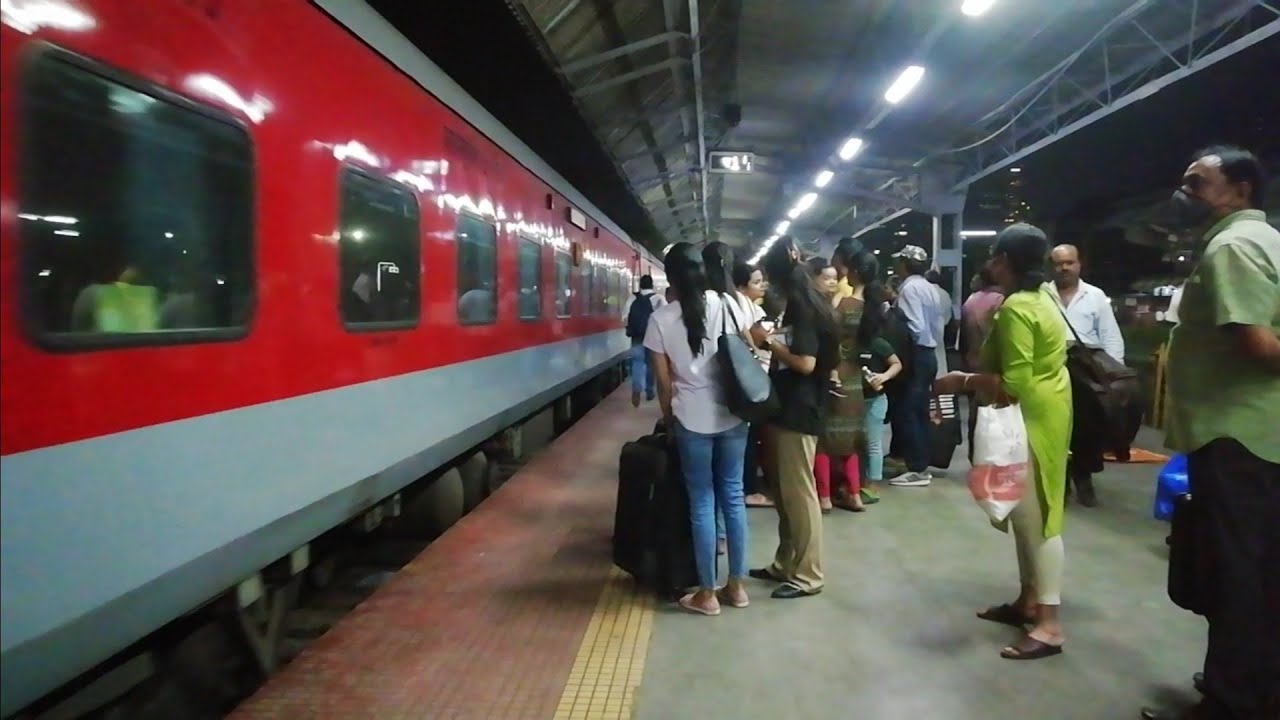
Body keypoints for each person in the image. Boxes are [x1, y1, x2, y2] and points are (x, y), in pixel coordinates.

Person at [1141, 145, 1280, 720]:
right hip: (1255, 432)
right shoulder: (1265, 239)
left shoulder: (1232, 247)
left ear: (1241, 189)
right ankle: (1250, 681)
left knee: (1237, 572)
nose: (1185, 194)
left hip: (1235, 433)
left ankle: (1231, 701)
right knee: (1259, 567)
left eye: (1197, 183)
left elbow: (1258, 343)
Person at [934, 223, 1071, 661]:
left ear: (1006, 261)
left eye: (995, 254)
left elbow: (1014, 384)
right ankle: (1028, 601)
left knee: (1038, 520)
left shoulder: (1016, 309)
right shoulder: (1044, 298)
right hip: (1049, 410)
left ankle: (1049, 625)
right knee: (1025, 515)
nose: (991, 261)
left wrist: (962, 380)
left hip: (1030, 421)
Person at [643, 243, 752, 616]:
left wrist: (669, 420)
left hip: (691, 420)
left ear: (671, 277)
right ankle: (737, 587)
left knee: (702, 502)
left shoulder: (660, 320)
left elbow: (663, 383)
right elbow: (747, 351)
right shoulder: (729, 304)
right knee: (733, 497)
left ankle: (707, 593)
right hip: (733, 415)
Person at [749, 236, 840, 599]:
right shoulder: (803, 304)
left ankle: (808, 575)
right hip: (788, 407)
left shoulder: (803, 307)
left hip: (800, 409)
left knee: (800, 495)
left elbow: (805, 363)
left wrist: (768, 342)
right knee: (786, 494)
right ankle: (785, 563)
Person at [1045, 244, 1125, 508]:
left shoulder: (1095, 296)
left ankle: (1083, 478)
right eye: (1059, 263)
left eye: (1069, 262)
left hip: (1088, 375)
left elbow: (1110, 336)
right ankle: (1060, 482)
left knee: (1087, 429)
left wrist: (1114, 375)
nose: (1064, 268)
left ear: (1079, 264)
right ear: (1051, 266)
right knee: (1055, 429)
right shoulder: (1043, 295)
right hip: (1051, 372)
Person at [841, 247, 902, 495]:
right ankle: (863, 483)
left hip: (869, 396)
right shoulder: (876, 323)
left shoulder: (871, 341)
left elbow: (896, 363)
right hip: (864, 394)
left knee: (869, 442)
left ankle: (870, 483)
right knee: (864, 442)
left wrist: (883, 376)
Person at [810, 253, 865, 512]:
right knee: (849, 439)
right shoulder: (867, 305)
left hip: (833, 373)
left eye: (835, 278)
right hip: (854, 376)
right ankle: (854, 494)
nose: (832, 282)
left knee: (825, 439)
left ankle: (825, 497)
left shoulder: (832, 308)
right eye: (827, 278)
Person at [889, 245, 941, 487]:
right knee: (920, 411)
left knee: (908, 411)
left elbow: (916, 327)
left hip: (916, 354)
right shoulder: (930, 288)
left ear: (905, 264)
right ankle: (921, 461)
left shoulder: (909, 288)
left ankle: (917, 469)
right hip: (930, 354)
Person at [733, 259, 774, 509]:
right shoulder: (741, 306)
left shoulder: (746, 305)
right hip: (752, 379)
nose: (762, 286)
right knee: (749, 437)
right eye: (756, 282)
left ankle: (748, 486)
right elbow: (753, 339)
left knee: (749, 436)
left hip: (751, 378)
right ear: (741, 285)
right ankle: (748, 488)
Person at [960, 267, 1005, 466]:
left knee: (976, 412)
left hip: (973, 362)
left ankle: (975, 456)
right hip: (995, 365)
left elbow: (963, 336)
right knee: (998, 414)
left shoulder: (970, 300)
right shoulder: (1001, 301)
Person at [622, 274, 667, 407]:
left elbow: (624, 316)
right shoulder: (659, 298)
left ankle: (636, 389)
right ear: (652, 285)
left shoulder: (632, 298)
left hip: (636, 336)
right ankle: (649, 390)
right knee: (651, 363)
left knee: (637, 362)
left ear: (640, 285)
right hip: (653, 337)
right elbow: (665, 318)